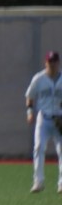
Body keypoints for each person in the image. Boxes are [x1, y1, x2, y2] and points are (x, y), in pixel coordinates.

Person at [25, 50, 62, 193]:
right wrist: (29, 112)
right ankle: (38, 182)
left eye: (54, 62)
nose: (51, 65)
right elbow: (30, 96)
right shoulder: (39, 79)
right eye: (49, 62)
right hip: (44, 118)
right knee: (39, 148)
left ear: (58, 63)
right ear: (45, 63)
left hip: (60, 118)